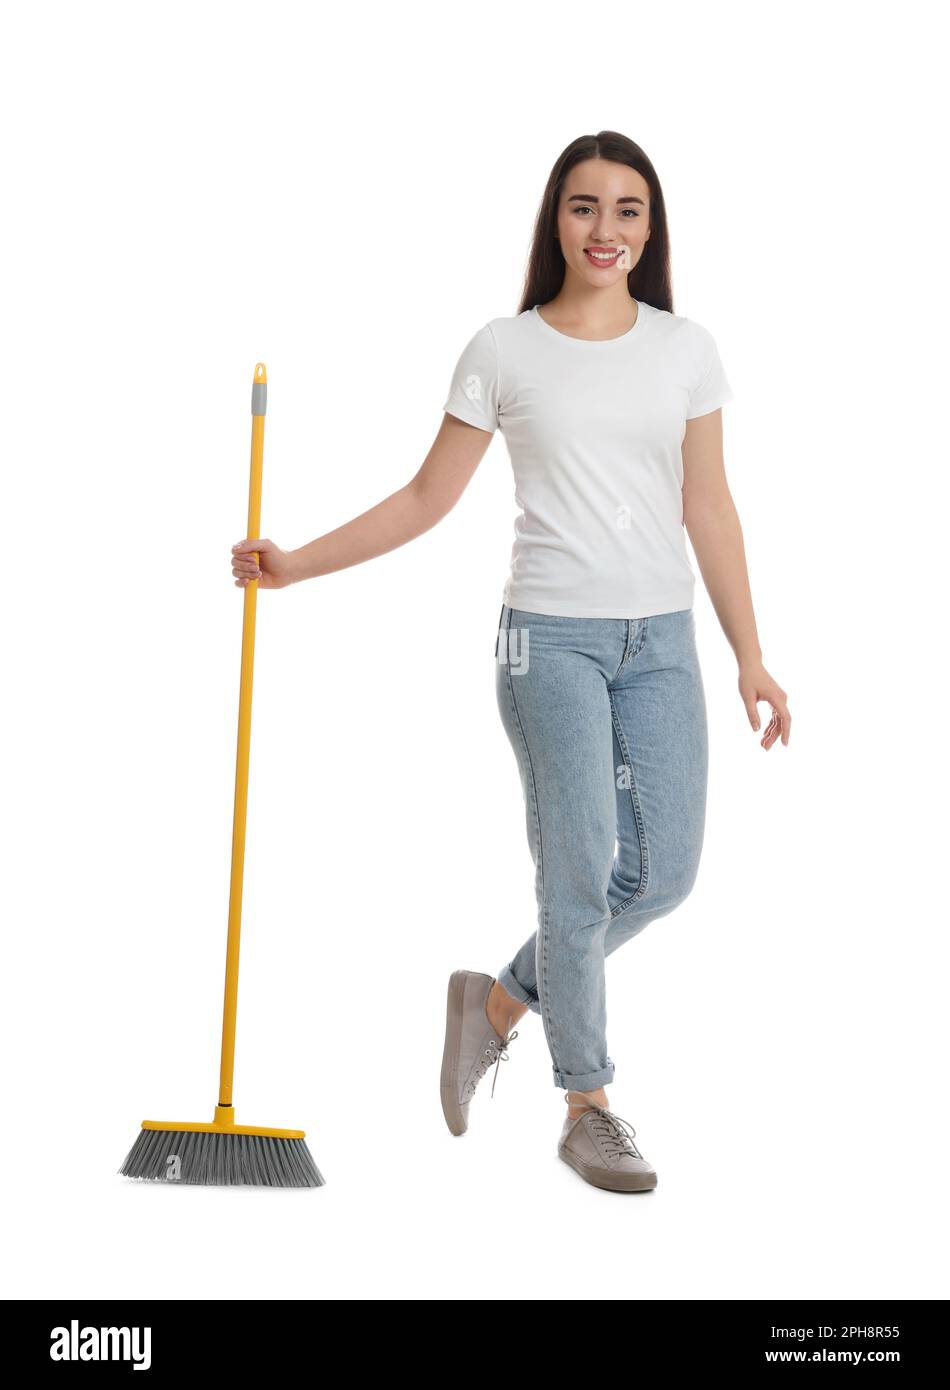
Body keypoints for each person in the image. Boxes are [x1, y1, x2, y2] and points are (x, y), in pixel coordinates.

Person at [229, 130, 791, 1193]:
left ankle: (493, 1003)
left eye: (627, 209)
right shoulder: (503, 347)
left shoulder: (685, 348)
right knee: (576, 872)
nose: (605, 229)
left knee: (660, 875)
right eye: (584, 207)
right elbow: (424, 498)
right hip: (550, 643)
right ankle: (588, 1103)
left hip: (661, 642)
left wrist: (748, 654)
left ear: (649, 227)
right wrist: (295, 564)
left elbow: (706, 506)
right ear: (554, 220)